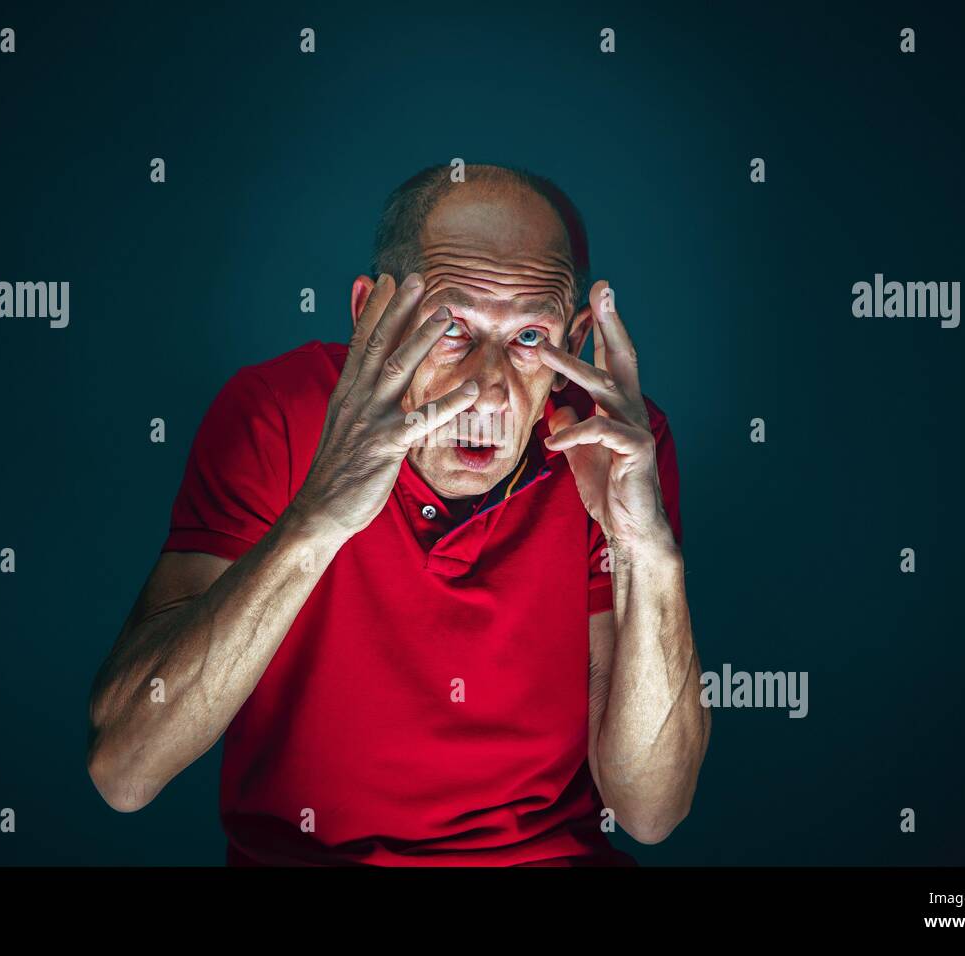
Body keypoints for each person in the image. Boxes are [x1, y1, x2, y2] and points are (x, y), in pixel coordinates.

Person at [86, 163, 710, 865]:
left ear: (576, 335)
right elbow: (125, 772)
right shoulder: (276, 414)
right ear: (370, 316)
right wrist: (320, 514)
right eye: (451, 328)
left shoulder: (611, 444)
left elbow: (652, 812)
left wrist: (646, 552)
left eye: (530, 338)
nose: (488, 389)